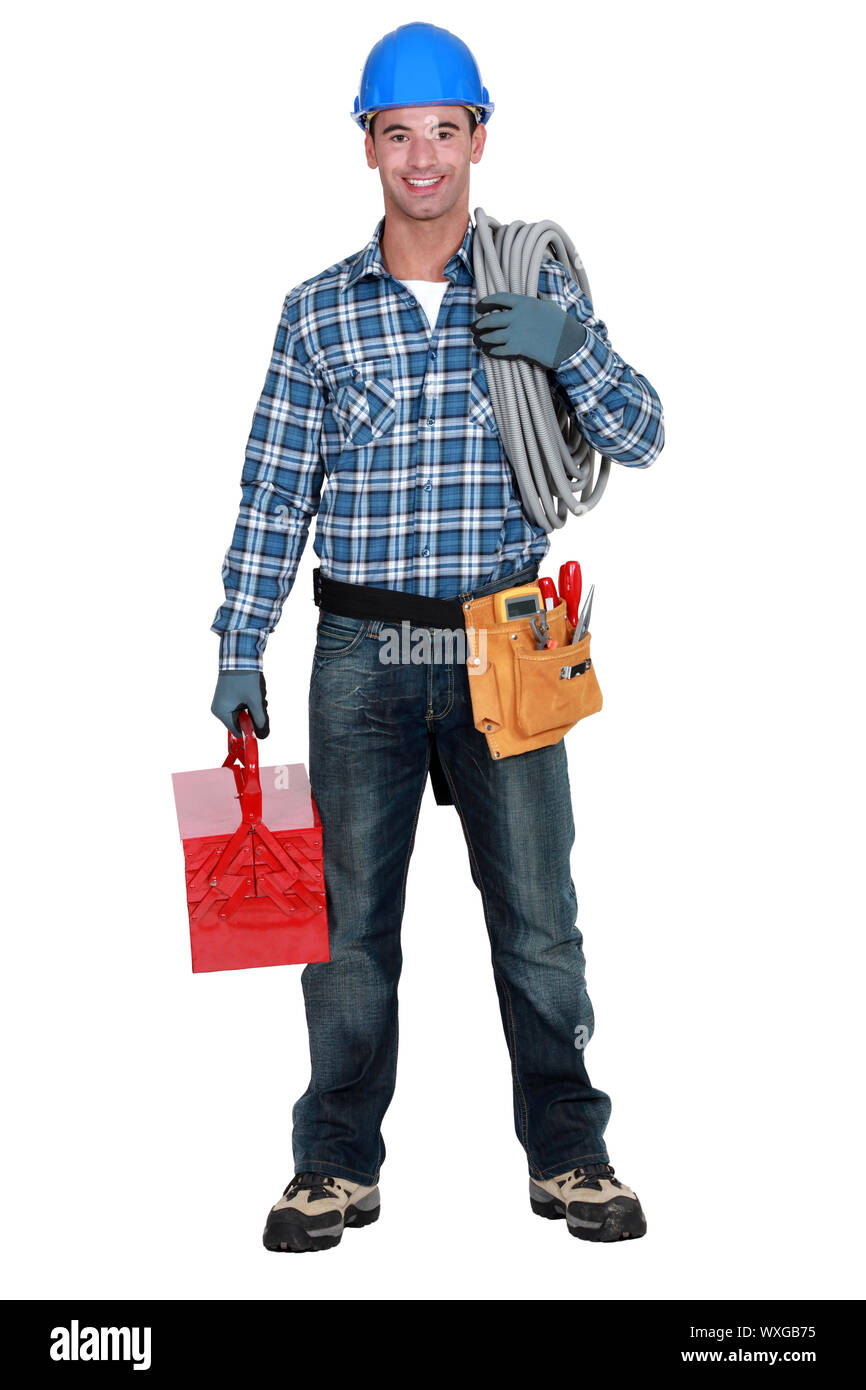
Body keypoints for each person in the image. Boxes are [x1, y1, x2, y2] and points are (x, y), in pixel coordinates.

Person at [210, 22, 664, 1253]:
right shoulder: (316, 314)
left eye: (443, 133)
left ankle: (570, 1154)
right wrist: (239, 641)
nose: (422, 157)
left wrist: (568, 351)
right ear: (366, 144)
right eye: (397, 133)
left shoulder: (535, 286)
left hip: (503, 641)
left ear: (479, 138)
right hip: (360, 652)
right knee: (345, 932)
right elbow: (271, 490)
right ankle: (332, 1168)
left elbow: (641, 434)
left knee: (537, 919)